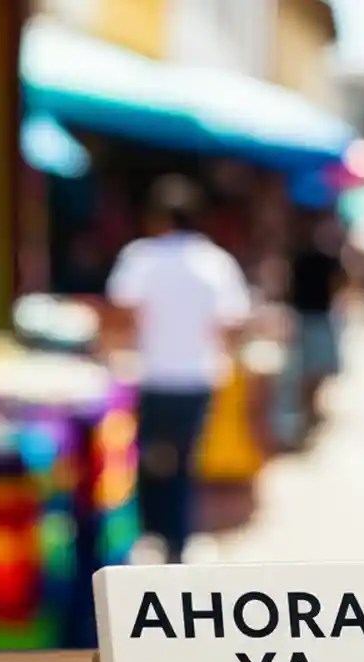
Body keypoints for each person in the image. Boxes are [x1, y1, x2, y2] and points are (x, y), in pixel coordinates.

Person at [106, 175, 251, 563]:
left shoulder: (142, 257)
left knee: (148, 461)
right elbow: (232, 321)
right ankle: (177, 541)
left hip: (151, 375)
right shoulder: (215, 262)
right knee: (184, 462)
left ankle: (151, 535)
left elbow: (122, 312)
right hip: (198, 377)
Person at [285, 209, 348, 440]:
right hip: (315, 317)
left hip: (307, 316)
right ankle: (309, 408)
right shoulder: (321, 257)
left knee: (309, 367)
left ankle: (308, 408)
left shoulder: (301, 256)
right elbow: (342, 283)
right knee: (314, 367)